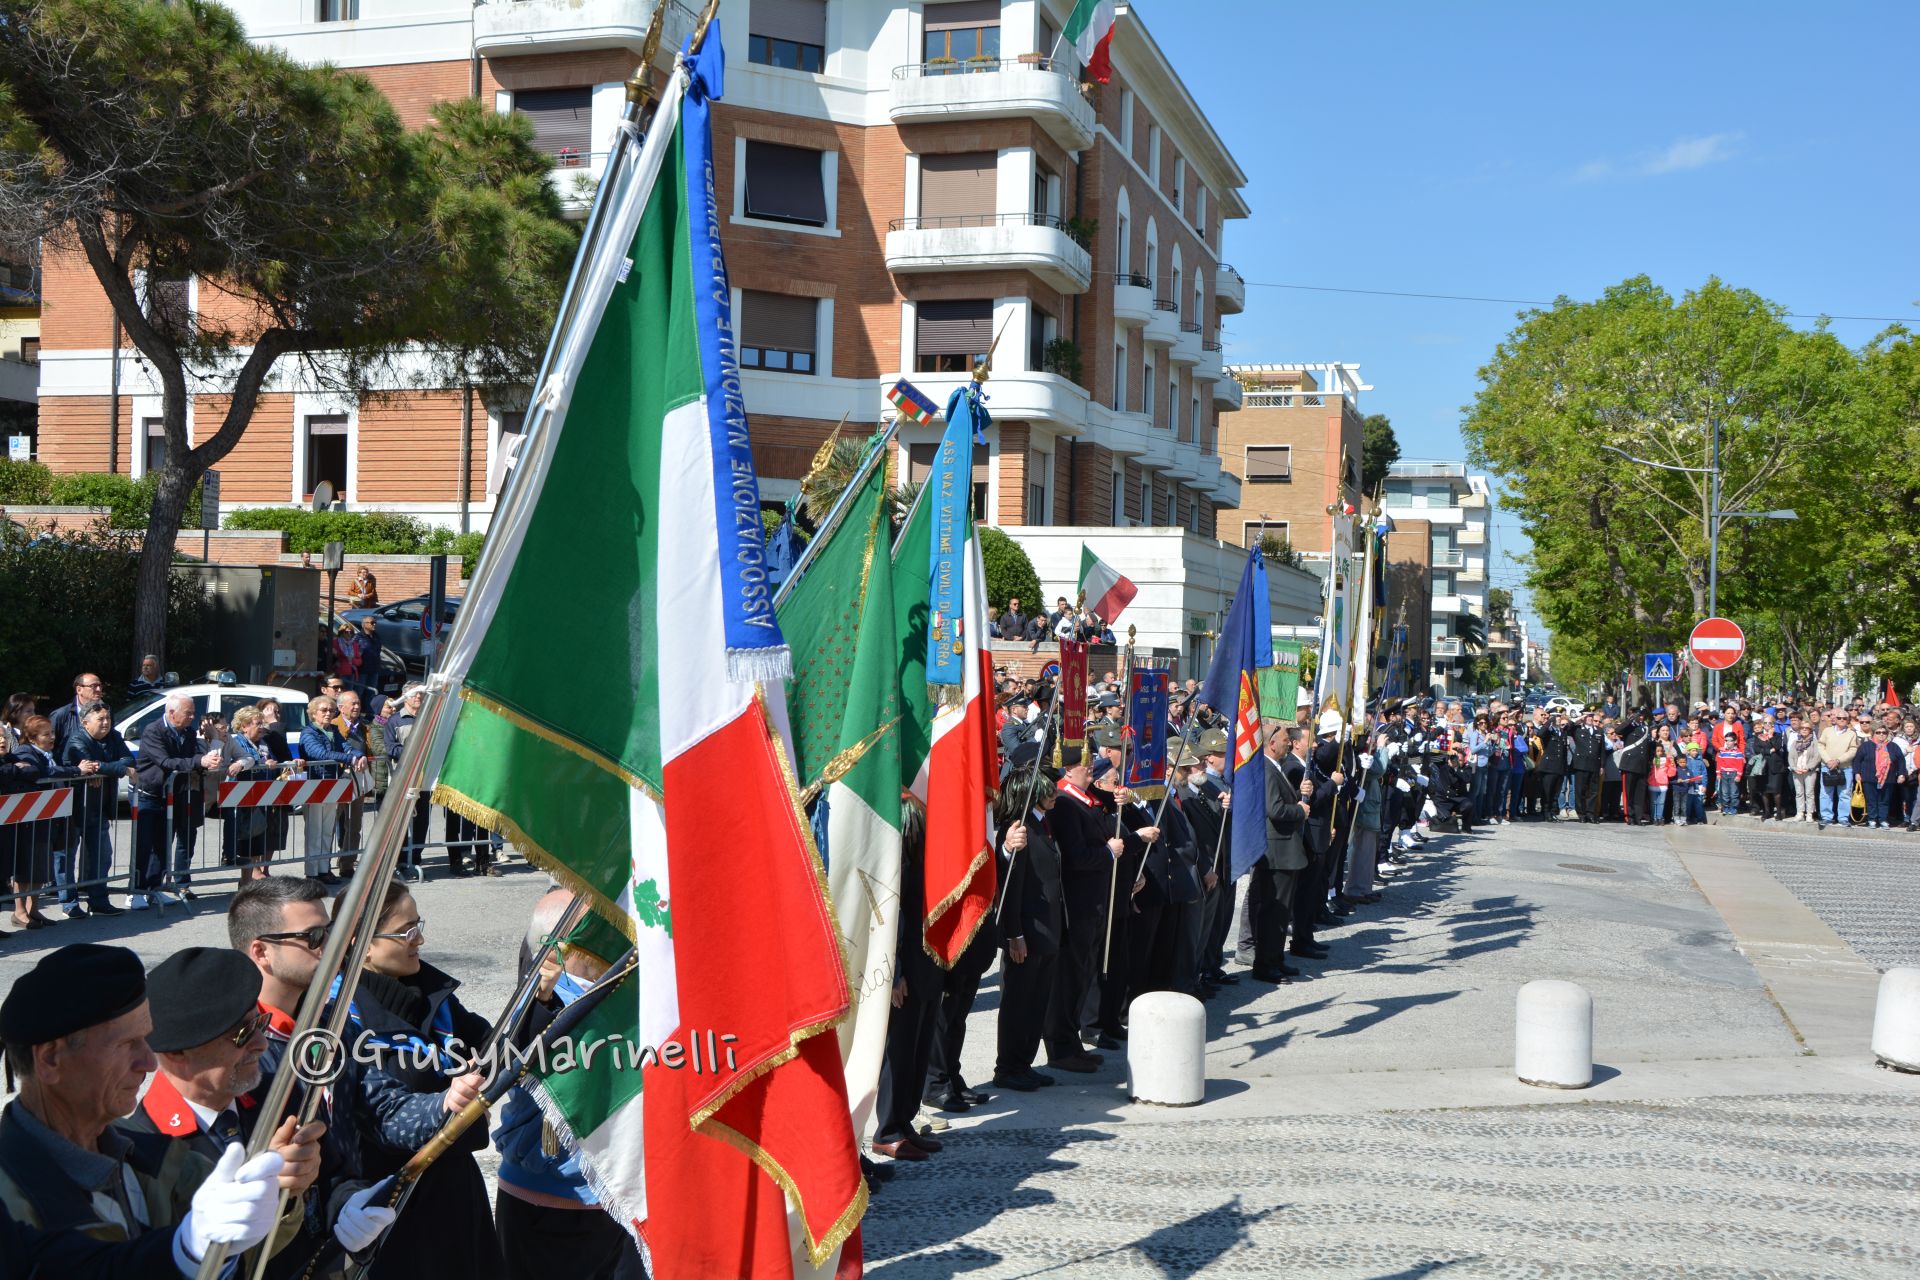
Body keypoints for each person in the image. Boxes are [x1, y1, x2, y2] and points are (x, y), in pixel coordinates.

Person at [0, 943, 290, 1270]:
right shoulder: (10, 1197)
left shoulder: (156, 1159)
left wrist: (281, 1195)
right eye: (126, 1044)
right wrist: (182, 1254)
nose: (149, 1062)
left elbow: (250, 1254)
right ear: (51, 1059)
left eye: (145, 1039)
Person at [120, 948, 389, 1275]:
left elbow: (332, 1177)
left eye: (259, 1022)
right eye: (241, 1034)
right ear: (177, 1053)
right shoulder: (140, 1152)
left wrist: (350, 1208)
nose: (262, 1043)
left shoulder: (279, 1095)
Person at [331, 879, 503, 1279]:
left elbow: (496, 1050)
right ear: (363, 943)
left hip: (456, 1189)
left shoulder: (431, 995)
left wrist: (542, 1000)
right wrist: (447, 1100)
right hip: (393, 1201)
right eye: (407, 931)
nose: (420, 939)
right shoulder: (340, 1016)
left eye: (418, 925)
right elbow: (378, 1117)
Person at [494, 891, 644, 1279]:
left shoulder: (620, 991)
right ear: (556, 951)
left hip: (617, 1201)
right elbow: (518, 1047)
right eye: (600, 933)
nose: (617, 938)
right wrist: (542, 995)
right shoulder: (536, 1003)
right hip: (547, 1204)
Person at [992, 760, 1067, 1091]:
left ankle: (1024, 1061)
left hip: (1048, 930)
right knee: (1018, 1003)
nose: (1053, 796)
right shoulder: (1018, 829)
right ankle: (1008, 1066)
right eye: (1046, 791)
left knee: (1036, 1002)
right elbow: (1012, 888)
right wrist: (1014, 934)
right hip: (1028, 932)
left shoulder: (1042, 824)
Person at [134, 693, 219, 908]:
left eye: (193, 713)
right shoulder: (154, 731)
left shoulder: (188, 733)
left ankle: (155, 888)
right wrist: (199, 760)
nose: (192, 717)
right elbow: (165, 761)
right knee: (145, 844)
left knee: (163, 845)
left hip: (172, 796)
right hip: (150, 794)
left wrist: (210, 744)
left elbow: (199, 759)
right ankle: (135, 890)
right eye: (188, 713)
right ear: (172, 713)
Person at [60, 700, 132, 918]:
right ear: (85, 722)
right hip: (72, 808)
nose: (106, 723)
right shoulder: (76, 739)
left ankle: (99, 901)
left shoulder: (114, 736)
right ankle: (69, 903)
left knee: (102, 855)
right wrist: (112, 768)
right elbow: (86, 765)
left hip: (98, 807)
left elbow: (128, 760)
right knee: (67, 858)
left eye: (108, 718)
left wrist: (101, 768)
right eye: (100, 719)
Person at [10, 715, 77, 929]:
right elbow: (39, 773)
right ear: (31, 737)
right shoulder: (25, 753)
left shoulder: (48, 753)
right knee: (25, 865)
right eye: (46, 734)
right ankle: (19, 911)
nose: (52, 737)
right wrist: (75, 770)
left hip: (48, 816)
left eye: (52, 733)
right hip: (29, 818)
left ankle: (33, 908)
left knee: (40, 864)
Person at [299, 695, 363, 884]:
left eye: (331, 710)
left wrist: (359, 755)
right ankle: (312, 872)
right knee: (315, 829)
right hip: (315, 783)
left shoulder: (333, 730)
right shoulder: (308, 733)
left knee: (327, 829)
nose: (328, 714)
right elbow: (318, 753)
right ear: (313, 713)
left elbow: (347, 748)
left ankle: (324, 869)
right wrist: (348, 758)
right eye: (324, 710)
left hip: (332, 784)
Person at [219, 707, 280, 879]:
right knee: (246, 838)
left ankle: (251, 876)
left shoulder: (263, 743)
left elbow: (270, 760)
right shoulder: (237, 741)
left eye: (262, 723)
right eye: (257, 723)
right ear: (244, 726)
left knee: (257, 836)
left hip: (260, 795)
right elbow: (242, 761)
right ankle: (248, 878)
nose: (262, 727)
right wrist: (262, 762)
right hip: (243, 797)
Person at [1854, 723, 1906, 830]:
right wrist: (1857, 773)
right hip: (1869, 778)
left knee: (1884, 801)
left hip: (1888, 779)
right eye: (1878, 732)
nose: (1881, 735)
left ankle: (1883, 820)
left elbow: (1901, 761)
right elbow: (1857, 760)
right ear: (1874, 733)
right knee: (1871, 800)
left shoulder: (1893, 746)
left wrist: (1901, 774)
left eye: (1884, 732)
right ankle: (1872, 819)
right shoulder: (1866, 745)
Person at [1816, 708, 1860, 828]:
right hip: (1827, 766)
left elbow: (1853, 749)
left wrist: (1838, 760)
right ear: (1835, 719)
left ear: (1848, 720)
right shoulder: (1827, 731)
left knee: (1845, 793)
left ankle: (1843, 818)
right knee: (1825, 793)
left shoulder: (1851, 733)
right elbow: (1821, 746)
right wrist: (1828, 760)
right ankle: (1826, 817)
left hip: (1845, 767)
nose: (1841, 720)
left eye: (1844, 718)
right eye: (1839, 718)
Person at [1567, 706, 1605, 823]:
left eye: (1591, 716)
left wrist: (1602, 765)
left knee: (1593, 791)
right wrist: (1578, 719)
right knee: (1581, 790)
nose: (1589, 718)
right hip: (1581, 764)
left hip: (1594, 764)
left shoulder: (1598, 731)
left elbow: (1602, 750)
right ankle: (1582, 813)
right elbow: (1567, 728)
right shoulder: (1577, 729)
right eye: (1587, 715)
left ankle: (1591, 814)